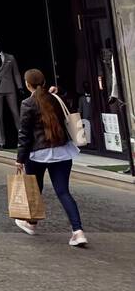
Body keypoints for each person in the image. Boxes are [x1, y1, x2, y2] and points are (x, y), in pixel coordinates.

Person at [15, 68, 87, 246]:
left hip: (37, 154)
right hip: (62, 151)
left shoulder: (27, 103)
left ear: (27, 85)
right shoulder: (56, 98)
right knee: (63, 192)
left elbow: (24, 134)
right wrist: (58, 91)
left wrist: (20, 159)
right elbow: (69, 105)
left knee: (35, 190)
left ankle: (31, 223)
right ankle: (78, 232)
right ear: (44, 82)